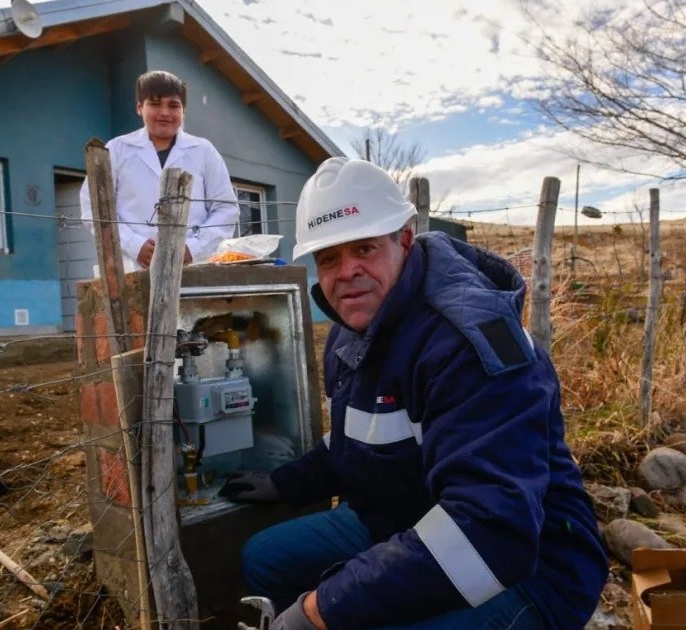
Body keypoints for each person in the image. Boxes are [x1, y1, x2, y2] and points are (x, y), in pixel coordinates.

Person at [221, 158, 608, 629]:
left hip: (527, 564)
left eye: (364, 248)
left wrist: (320, 610)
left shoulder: (469, 343)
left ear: (403, 240)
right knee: (264, 559)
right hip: (403, 519)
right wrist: (287, 482)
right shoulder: (353, 330)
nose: (347, 272)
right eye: (328, 258)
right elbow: (357, 441)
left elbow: (490, 533)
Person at [80, 70, 238, 268]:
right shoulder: (116, 150)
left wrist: (193, 248)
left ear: (184, 111)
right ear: (139, 107)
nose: (165, 112)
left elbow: (226, 208)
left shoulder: (203, 151)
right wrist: (134, 245)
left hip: (193, 268)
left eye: (173, 105)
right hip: (130, 269)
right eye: (155, 103)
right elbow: (93, 209)